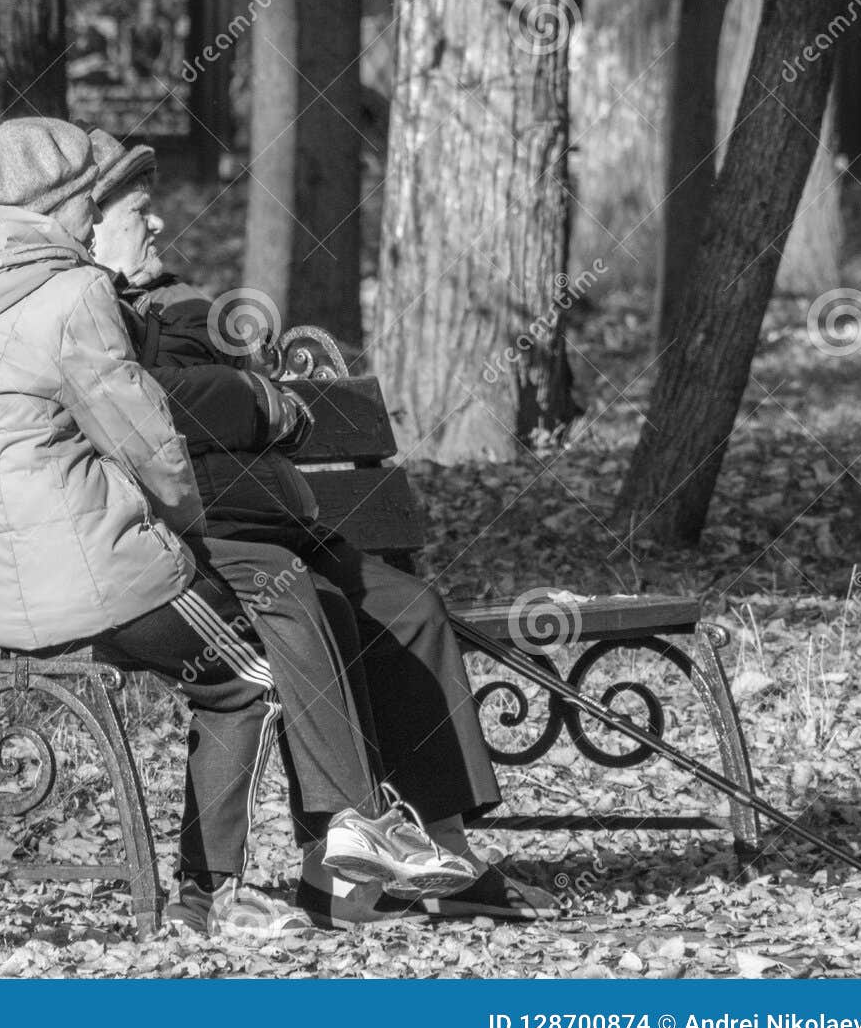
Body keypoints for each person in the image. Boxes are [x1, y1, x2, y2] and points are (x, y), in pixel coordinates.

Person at [0, 117, 477, 937]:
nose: (114, 221)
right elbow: (149, 443)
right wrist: (173, 523)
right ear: (66, 204)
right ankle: (226, 887)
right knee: (251, 674)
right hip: (95, 577)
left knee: (269, 627)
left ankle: (275, 867)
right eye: (96, 202)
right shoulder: (71, 294)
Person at [83, 125, 559, 925]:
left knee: (408, 608)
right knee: (313, 608)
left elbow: (253, 395)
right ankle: (335, 862)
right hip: (199, 540)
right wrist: (239, 403)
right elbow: (157, 406)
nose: (158, 224)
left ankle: (442, 848)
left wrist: (237, 399)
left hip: (271, 517)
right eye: (138, 212)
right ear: (87, 226)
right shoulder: (88, 311)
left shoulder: (177, 301)